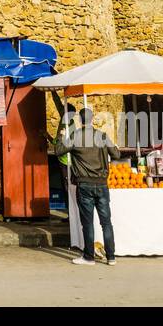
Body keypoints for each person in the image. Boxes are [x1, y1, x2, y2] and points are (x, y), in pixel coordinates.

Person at [51, 107, 120, 266]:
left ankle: (89, 257)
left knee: (87, 222)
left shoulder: (76, 136)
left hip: (84, 185)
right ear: (92, 119)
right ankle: (111, 257)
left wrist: (61, 137)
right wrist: (112, 145)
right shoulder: (102, 136)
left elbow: (59, 151)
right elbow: (116, 155)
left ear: (80, 120)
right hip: (102, 184)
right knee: (106, 222)